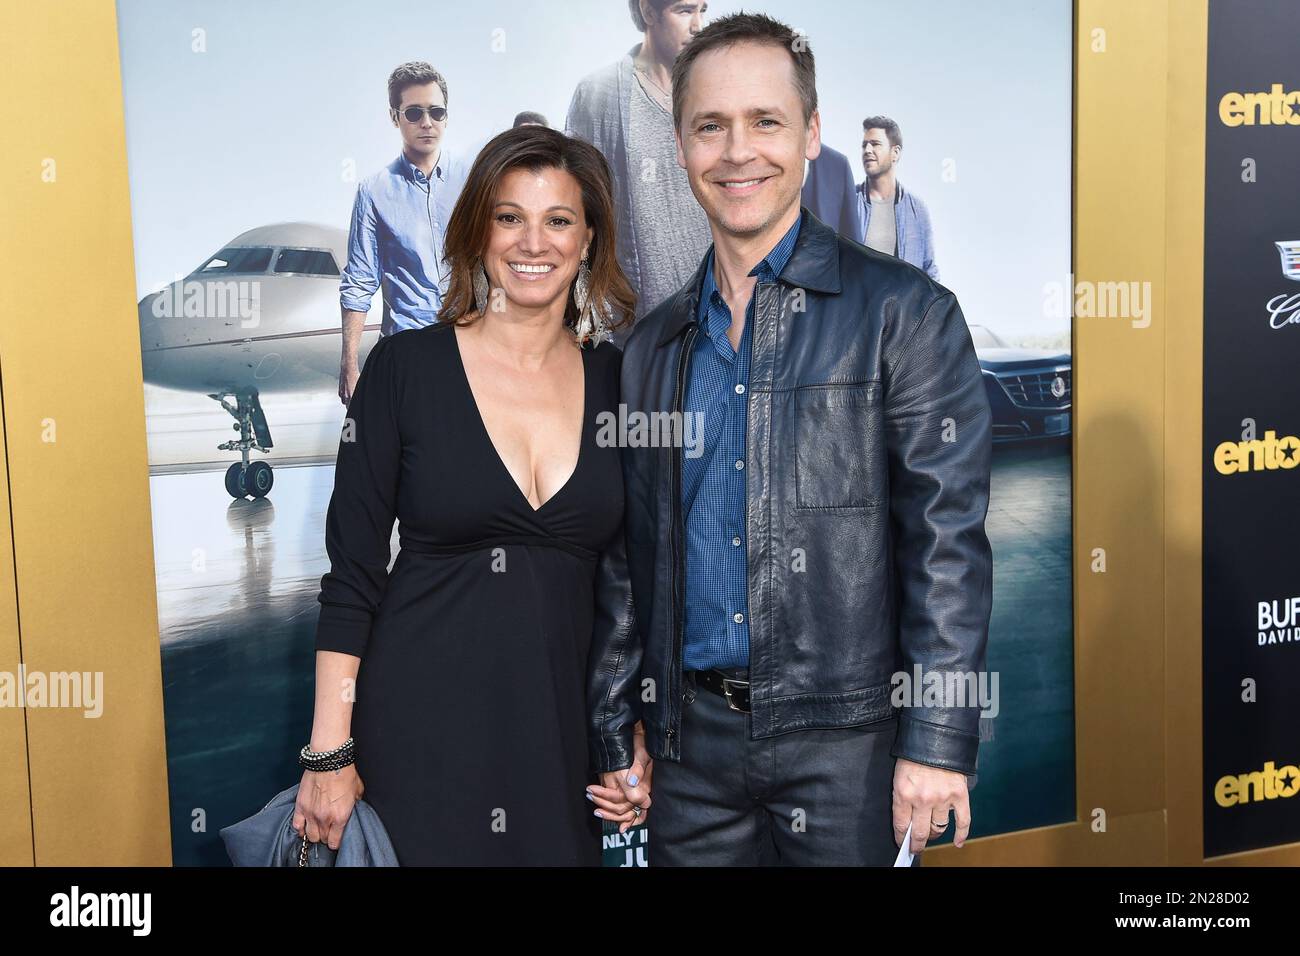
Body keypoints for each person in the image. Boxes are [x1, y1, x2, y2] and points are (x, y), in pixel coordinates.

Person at [586, 12, 993, 866]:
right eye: (711, 126)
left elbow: (945, 544)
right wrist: (619, 723)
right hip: (688, 758)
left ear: (811, 134)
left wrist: (939, 740)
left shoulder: (905, 316)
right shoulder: (651, 350)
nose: (739, 152)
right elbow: (630, 557)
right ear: (680, 143)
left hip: (849, 751)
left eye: (766, 122)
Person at [299, 125, 645, 865]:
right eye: (509, 216)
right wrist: (329, 752)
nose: (534, 242)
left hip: (559, 744)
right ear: (477, 231)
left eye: (559, 220)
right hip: (415, 730)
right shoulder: (402, 369)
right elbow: (353, 574)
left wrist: (632, 734)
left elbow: (633, 586)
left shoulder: (620, 383)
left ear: (589, 239)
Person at [565, 0, 713, 336]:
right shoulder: (599, 95)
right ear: (649, 11)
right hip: (632, 333)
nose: (699, 25)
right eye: (685, 11)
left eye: (703, 10)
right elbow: (575, 210)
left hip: (714, 324)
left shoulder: (713, 95)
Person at [337, 61, 469, 405]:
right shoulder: (374, 191)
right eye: (414, 113)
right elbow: (360, 281)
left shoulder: (474, 180)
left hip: (473, 348)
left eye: (436, 112)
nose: (427, 123)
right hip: (408, 353)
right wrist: (349, 363)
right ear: (394, 117)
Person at [856, 115, 940, 280]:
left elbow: (930, 271)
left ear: (895, 153)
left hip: (904, 305)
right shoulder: (849, 202)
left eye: (875, 144)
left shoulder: (917, 209)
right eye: (864, 145)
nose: (867, 150)